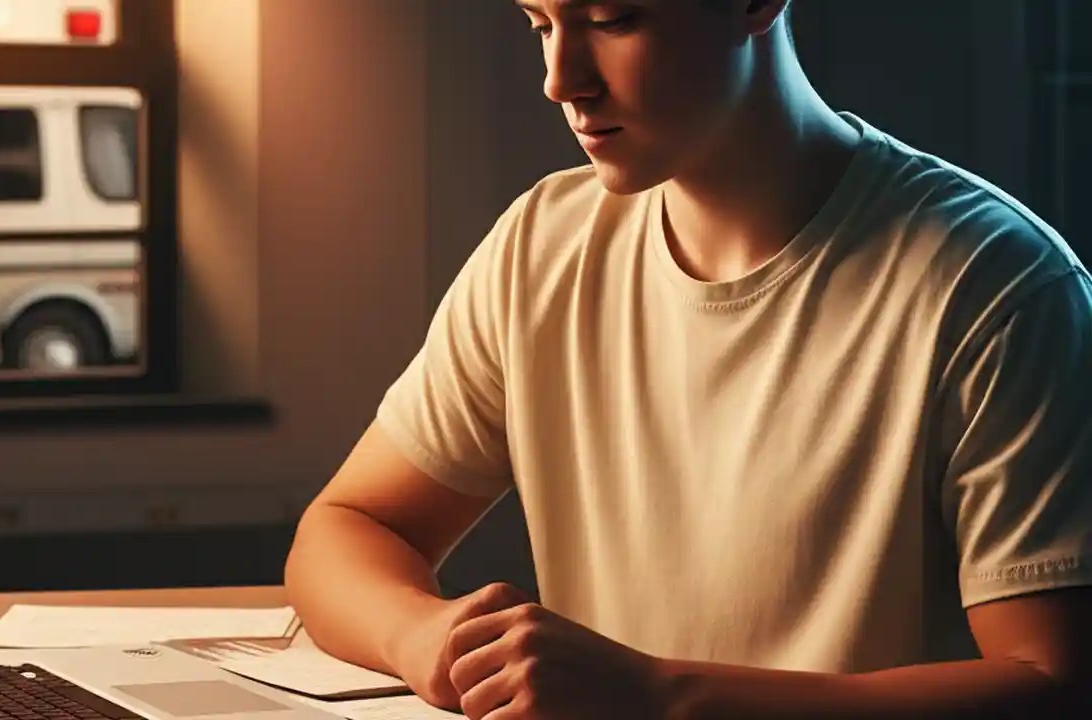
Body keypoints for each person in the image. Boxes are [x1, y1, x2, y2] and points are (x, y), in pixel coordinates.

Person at [286, 0, 1092, 717]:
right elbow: (349, 525)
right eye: (539, 24)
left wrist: (659, 696)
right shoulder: (541, 248)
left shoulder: (998, 284)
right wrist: (425, 636)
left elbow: (1053, 683)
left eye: (612, 20)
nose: (560, 80)